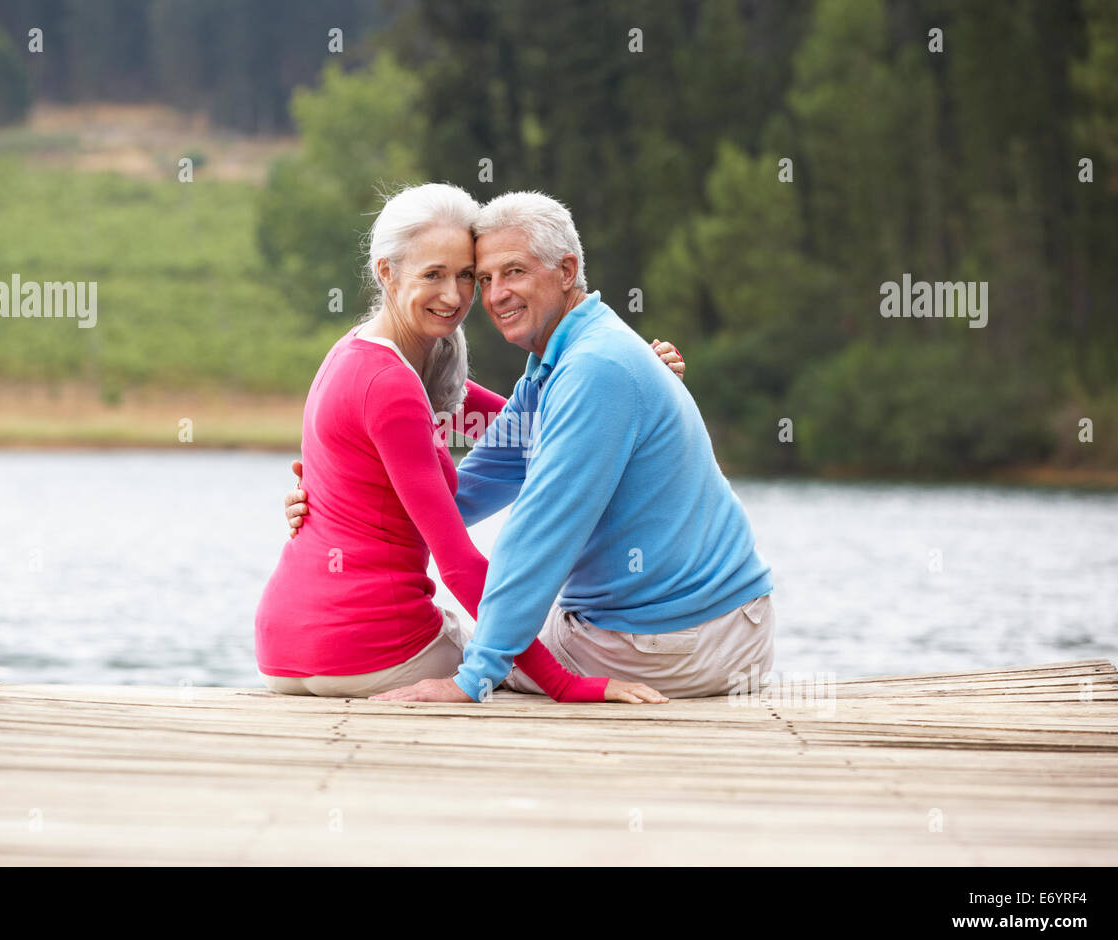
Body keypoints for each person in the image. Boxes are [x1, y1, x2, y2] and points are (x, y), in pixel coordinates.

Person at [289, 191, 773, 704]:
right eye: (486, 277)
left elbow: (537, 535)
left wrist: (471, 680)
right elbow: (479, 479)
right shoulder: (559, 365)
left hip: (685, 637)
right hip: (673, 627)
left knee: (451, 655)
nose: (494, 295)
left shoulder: (595, 369)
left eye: (514, 272)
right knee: (474, 638)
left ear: (567, 270)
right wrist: (333, 505)